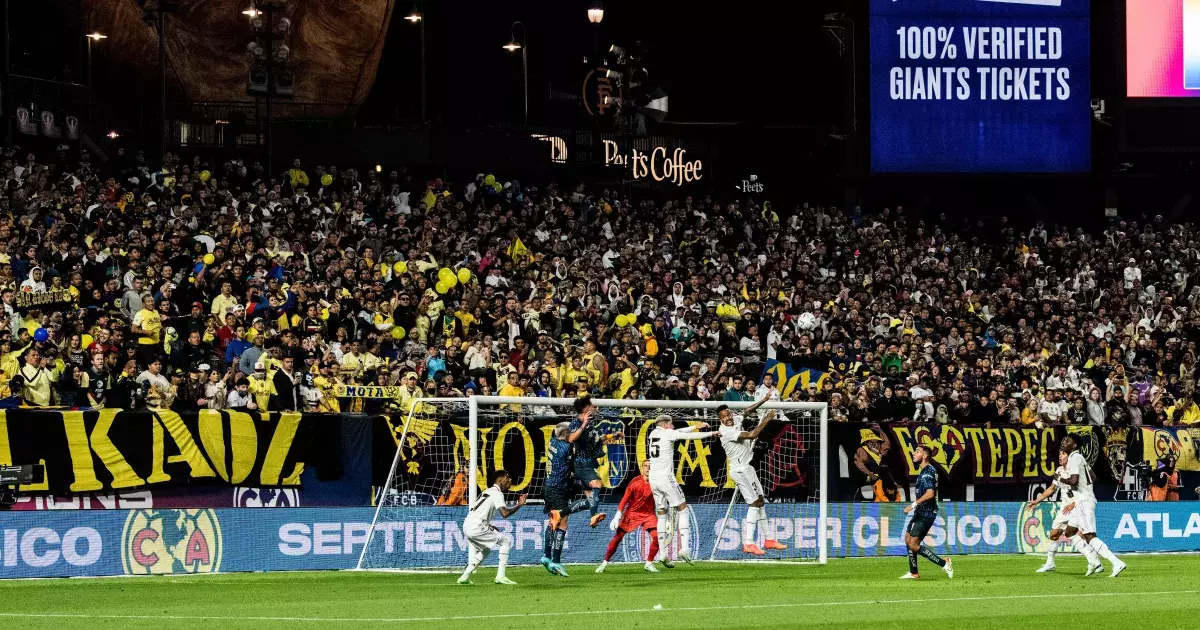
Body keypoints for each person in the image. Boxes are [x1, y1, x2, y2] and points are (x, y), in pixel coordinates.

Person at [717, 398, 787, 555]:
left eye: (728, 414)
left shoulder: (734, 419)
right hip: (739, 470)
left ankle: (769, 540)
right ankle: (748, 543)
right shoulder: (726, 431)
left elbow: (746, 411)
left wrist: (764, 400)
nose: (728, 418)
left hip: (747, 468)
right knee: (754, 503)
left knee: (761, 500)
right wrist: (767, 419)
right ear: (720, 419)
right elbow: (752, 434)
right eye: (724, 417)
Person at [647, 414, 717, 567]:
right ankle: (684, 548)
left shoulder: (653, 434)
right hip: (666, 478)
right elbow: (689, 437)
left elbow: (679, 432)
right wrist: (712, 433)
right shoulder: (668, 433)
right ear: (665, 424)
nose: (673, 427)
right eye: (671, 424)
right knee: (682, 508)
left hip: (653, 479)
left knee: (662, 512)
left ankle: (663, 553)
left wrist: (694, 426)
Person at [1057, 436, 1126, 577]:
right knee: (1069, 532)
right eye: (1064, 440)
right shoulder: (1080, 458)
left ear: (1074, 445)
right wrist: (1085, 488)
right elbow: (1093, 477)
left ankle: (1116, 562)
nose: (1064, 441)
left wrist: (1061, 479)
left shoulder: (1074, 458)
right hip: (1082, 501)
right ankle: (1093, 560)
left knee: (1089, 536)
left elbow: (1074, 481)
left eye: (1068, 440)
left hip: (1083, 501)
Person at [457, 469, 527, 586]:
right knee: (506, 541)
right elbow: (504, 514)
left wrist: (488, 525)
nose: (510, 480)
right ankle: (501, 576)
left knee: (485, 550)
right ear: (500, 480)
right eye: (507, 477)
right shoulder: (497, 493)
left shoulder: (487, 491)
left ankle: (464, 577)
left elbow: (478, 511)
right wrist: (519, 504)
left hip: (468, 525)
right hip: (476, 526)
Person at [900, 445, 954, 580]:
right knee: (908, 539)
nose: (914, 453)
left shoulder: (928, 472)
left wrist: (912, 505)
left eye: (917, 452)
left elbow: (930, 493)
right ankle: (914, 573)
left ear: (924, 456)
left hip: (926, 513)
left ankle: (944, 562)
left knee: (914, 544)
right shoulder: (925, 471)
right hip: (921, 511)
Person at [596, 460, 660, 574]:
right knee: (618, 537)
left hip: (648, 514)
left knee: (657, 537)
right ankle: (604, 563)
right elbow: (625, 499)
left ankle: (649, 563)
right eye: (646, 466)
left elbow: (661, 501)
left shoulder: (657, 483)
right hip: (632, 513)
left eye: (651, 466)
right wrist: (618, 515)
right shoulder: (635, 482)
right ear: (642, 468)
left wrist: (664, 519)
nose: (648, 468)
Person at [567, 395, 622, 528]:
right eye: (592, 405)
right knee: (597, 483)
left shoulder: (590, 424)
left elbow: (596, 440)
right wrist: (584, 424)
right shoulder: (576, 422)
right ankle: (589, 515)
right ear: (586, 408)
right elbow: (571, 439)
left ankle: (566, 513)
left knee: (590, 500)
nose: (595, 407)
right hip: (582, 463)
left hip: (590, 462)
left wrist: (612, 435)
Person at [1028, 451, 1086, 573]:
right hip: (1064, 509)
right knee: (1054, 534)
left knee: (1082, 536)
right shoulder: (1059, 471)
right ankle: (1050, 564)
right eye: (1059, 454)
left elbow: (1087, 492)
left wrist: (1074, 503)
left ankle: (1094, 562)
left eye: (1063, 454)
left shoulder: (1076, 472)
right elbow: (1052, 488)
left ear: (1069, 457)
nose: (1060, 456)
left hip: (1078, 507)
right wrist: (1037, 501)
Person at [540, 422, 575, 577]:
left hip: (548, 486)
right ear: (566, 435)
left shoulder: (552, 441)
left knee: (552, 521)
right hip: (558, 489)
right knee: (563, 521)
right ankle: (556, 560)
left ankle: (546, 556)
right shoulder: (565, 447)